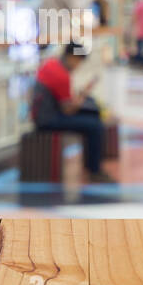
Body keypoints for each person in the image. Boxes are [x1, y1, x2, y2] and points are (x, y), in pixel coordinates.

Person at [34, 43, 114, 182]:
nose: (79, 66)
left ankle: (91, 166)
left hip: (43, 114)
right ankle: (94, 170)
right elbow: (68, 109)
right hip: (49, 119)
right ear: (72, 57)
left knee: (92, 116)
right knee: (94, 125)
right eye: (79, 61)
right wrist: (80, 100)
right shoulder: (61, 75)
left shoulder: (51, 64)